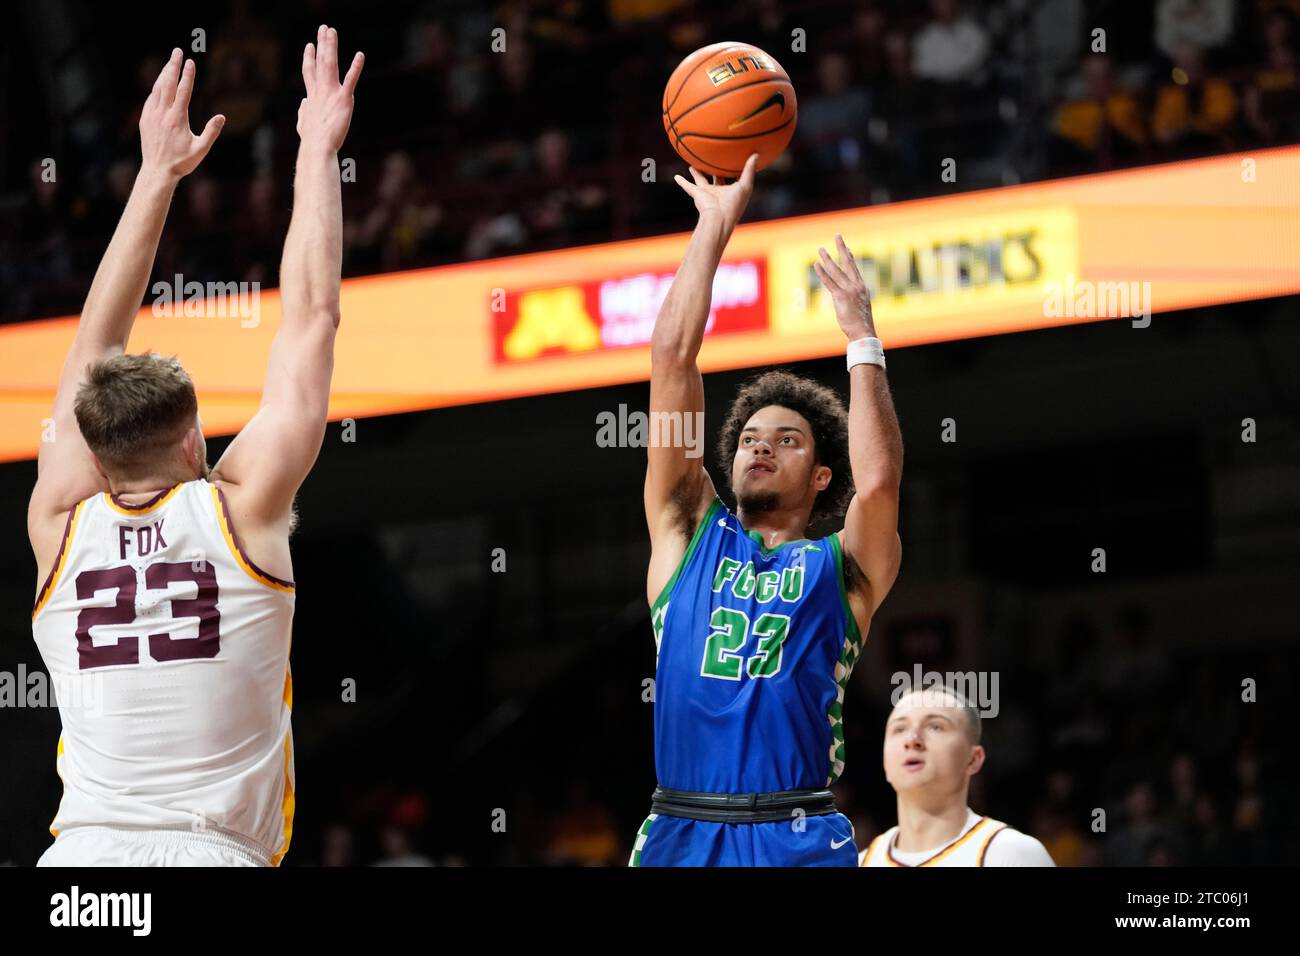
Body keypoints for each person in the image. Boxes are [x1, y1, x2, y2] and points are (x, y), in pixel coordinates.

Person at [29, 26, 363, 866]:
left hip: (78, 864)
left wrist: (154, 176)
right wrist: (316, 149)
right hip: (209, 852)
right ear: (193, 438)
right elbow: (312, 320)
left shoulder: (59, 519)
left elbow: (88, 352)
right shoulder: (243, 507)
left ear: (96, 456)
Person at [631, 155, 904, 866]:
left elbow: (877, 486)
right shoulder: (688, 530)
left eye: (785, 441)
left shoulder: (840, 567)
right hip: (681, 828)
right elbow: (670, 359)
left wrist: (861, 342)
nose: (760, 448)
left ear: (818, 476)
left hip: (798, 830)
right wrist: (713, 231)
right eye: (750, 438)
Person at [859, 686, 1055, 866]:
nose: (912, 740)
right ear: (885, 761)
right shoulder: (860, 862)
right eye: (899, 729)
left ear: (974, 759)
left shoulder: (1014, 854)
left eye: (935, 726)